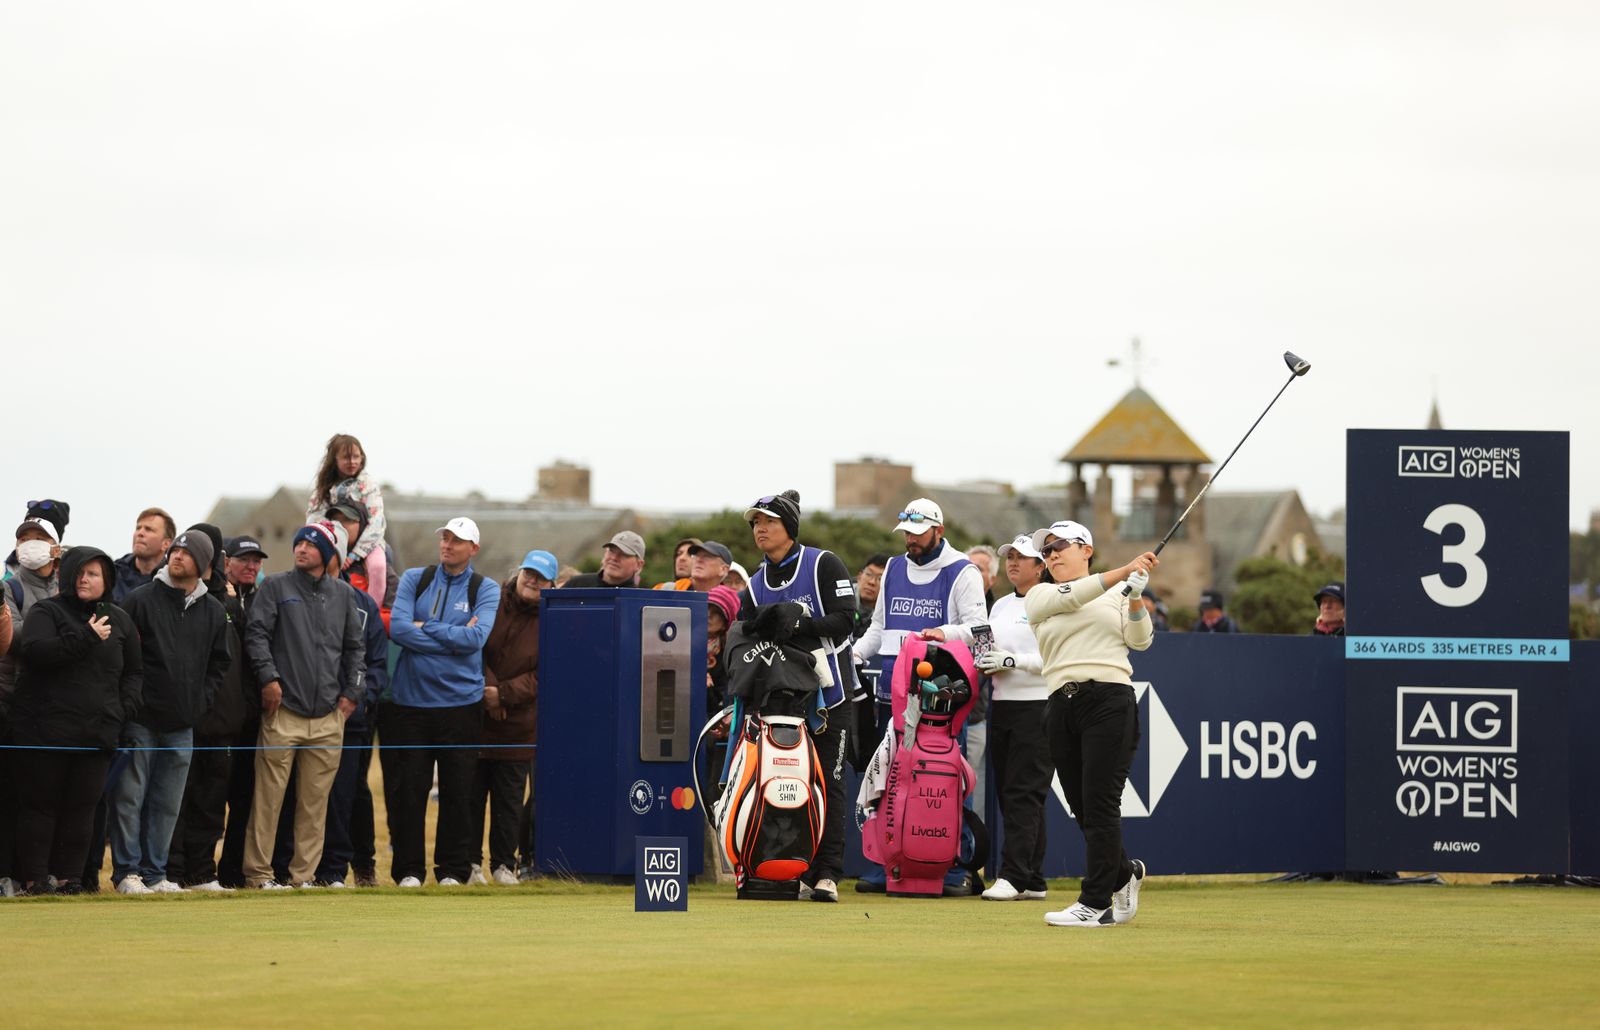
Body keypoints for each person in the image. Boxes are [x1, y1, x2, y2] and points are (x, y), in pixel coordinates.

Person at [1026, 519, 1156, 927]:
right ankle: (1124, 873)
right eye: (1045, 551)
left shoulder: (1118, 592)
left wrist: (1134, 598)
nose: (1051, 555)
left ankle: (1095, 901)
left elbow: (1140, 641)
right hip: (1060, 704)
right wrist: (1123, 572)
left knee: (1100, 803)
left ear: (1086, 549)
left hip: (1109, 699)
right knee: (1081, 807)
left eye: (1060, 545)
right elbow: (1076, 594)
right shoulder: (1040, 594)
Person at [855, 498, 988, 895]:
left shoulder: (962, 571)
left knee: (943, 785)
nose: (911, 540)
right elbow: (879, 628)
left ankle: (950, 866)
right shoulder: (894, 567)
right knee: (885, 784)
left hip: (939, 704)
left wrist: (943, 634)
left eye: (918, 532)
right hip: (891, 699)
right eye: (906, 533)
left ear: (938, 531)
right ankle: (888, 864)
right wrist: (856, 654)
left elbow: (981, 631)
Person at [737, 491, 857, 904]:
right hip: (780, 703)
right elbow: (745, 629)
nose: (760, 530)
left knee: (830, 780)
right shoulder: (754, 584)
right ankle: (793, 867)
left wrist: (799, 621)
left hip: (831, 695)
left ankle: (827, 875)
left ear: (789, 527)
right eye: (755, 523)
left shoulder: (823, 563)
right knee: (787, 782)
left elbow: (847, 620)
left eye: (768, 521)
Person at [9, 547, 142, 895]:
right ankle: (36, 879)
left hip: (96, 733)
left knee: (82, 810)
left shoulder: (120, 619)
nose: (85, 579)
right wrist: (85, 636)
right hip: (44, 732)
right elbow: (37, 652)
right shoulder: (46, 611)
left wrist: (122, 709)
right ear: (67, 576)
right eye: (80, 573)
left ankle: (70, 879)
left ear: (107, 580)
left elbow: (134, 672)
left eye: (94, 574)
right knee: (40, 807)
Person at [242, 521, 365, 890]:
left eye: (311, 546)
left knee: (314, 806)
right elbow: (257, 634)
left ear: (327, 554)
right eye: (299, 544)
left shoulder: (343, 595)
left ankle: (303, 876)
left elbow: (355, 649)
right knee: (268, 801)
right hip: (284, 713)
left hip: (328, 715)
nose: (302, 549)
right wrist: (269, 679)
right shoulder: (276, 587)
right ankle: (259, 875)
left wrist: (351, 694)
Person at [111, 530, 231, 895]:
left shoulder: (213, 609)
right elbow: (123, 657)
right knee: (130, 797)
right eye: (176, 549)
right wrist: (132, 701)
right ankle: (127, 873)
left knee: (167, 804)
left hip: (183, 724)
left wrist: (200, 702)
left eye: (187, 552)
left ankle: (155, 873)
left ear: (204, 564)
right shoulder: (140, 599)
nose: (178, 555)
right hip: (142, 719)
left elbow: (219, 663)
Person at [385, 516, 499, 887]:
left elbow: (475, 639)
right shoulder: (414, 579)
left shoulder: (485, 588)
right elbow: (399, 629)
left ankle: (453, 870)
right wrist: (450, 636)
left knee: (458, 791)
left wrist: (427, 627)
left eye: (457, 540)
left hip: (461, 705)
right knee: (409, 793)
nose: (448, 545)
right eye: (445, 538)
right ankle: (408, 871)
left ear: (473, 549)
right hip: (411, 703)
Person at [964, 534, 1053, 902]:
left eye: (1023, 558)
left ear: (1041, 566)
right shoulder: (999, 605)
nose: (1014, 563)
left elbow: (1054, 660)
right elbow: (989, 651)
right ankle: (1033, 878)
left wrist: (1011, 661)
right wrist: (986, 662)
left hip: (1039, 705)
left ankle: (1014, 875)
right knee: (1012, 792)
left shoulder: (1050, 603)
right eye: (1011, 557)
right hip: (1002, 704)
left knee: (1023, 792)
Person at [165, 523, 253, 892]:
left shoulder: (229, 604)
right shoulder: (174, 597)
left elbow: (242, 661)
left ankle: (201, 872)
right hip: (183, 718)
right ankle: (171, 871)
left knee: (210, 802)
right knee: (176, 800)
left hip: (224, 721)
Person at [470, 549, 553, 886]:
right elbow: (474, 646)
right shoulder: (492, 600)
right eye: (529, 573)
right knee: (471, 796)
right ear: (518, 573)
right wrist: (491, 691)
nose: (532, 581)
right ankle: (470, 865)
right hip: (477, 718)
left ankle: (504, 864)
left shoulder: (550, 617)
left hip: (519, 724)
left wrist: (503, 695)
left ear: (550, 584)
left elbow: (543, 672)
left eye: (541, 577)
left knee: (509, 801)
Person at [313, 535, 389, 889]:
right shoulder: (290, 594)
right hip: (304, 714)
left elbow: (375, 664)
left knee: (346, 794)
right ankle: (305, 868)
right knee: (308, 795)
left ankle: (337, 869)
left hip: (350, 717)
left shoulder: (361, 604)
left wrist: (357, 699)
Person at [216, 536, 268, 888]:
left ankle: (232, 872)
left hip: (254, 717)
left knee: (245, 799)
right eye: (243, 559)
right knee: (210, 796)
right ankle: (197, 869)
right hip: (219, 715)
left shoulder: (265, 598)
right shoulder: (215, 597)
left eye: (256, 561)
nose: (251, 566)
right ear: (226, 562)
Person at [307, 433, 387, 607]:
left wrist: (355, 554)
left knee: (378, 567)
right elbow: (315, 519)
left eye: (356, 456)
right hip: (335, 540)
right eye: (346, 457)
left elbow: (377, 521)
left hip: (368, 542)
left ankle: (372, 609)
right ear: (334, 459)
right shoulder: (323, 489)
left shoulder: (368, 485)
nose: (352, 462)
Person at [112, 508, 176, 603]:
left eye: (149, 529)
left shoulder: (173, 581)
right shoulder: (113, 573)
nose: (140, 533)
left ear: (166, 544)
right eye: (138, 528)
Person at [564, 532, 646, 587]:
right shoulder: (577, 585)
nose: (614, 558)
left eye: (624, 554)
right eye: (611, 551)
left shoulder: (641, 600)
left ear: (639, 565)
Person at [849, 554, 888, 643]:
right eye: (869, 574)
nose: (872, 582)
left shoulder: (888, 613)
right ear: (859, 576)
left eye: (880, 578)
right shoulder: (841, 599)